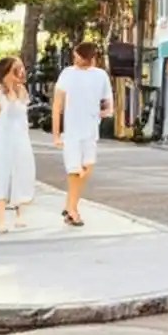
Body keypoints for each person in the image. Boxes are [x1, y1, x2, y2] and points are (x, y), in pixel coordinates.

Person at [52, 41, 112, 227]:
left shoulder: (101, 75)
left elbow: (108, 103)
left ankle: (70, 204)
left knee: (87, 167)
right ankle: (73, 210)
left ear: (89, 57)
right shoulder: (67, 74)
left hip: (90, 129)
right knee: (74, 170)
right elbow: (57, 105)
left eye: (78, 55)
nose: (75, 58)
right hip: (72, 131)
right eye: (75, 55)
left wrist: (103, 112)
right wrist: (56, 134)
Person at [0, 58, 36, 233]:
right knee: (2, 175)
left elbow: (24, 119)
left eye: (21, 69)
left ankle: (20, 214)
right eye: (15, 70)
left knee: (22, 172)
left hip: (21, 139)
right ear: (5, 73)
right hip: (2, 140)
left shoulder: (23, 92)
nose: (20, 73)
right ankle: (1, 219)